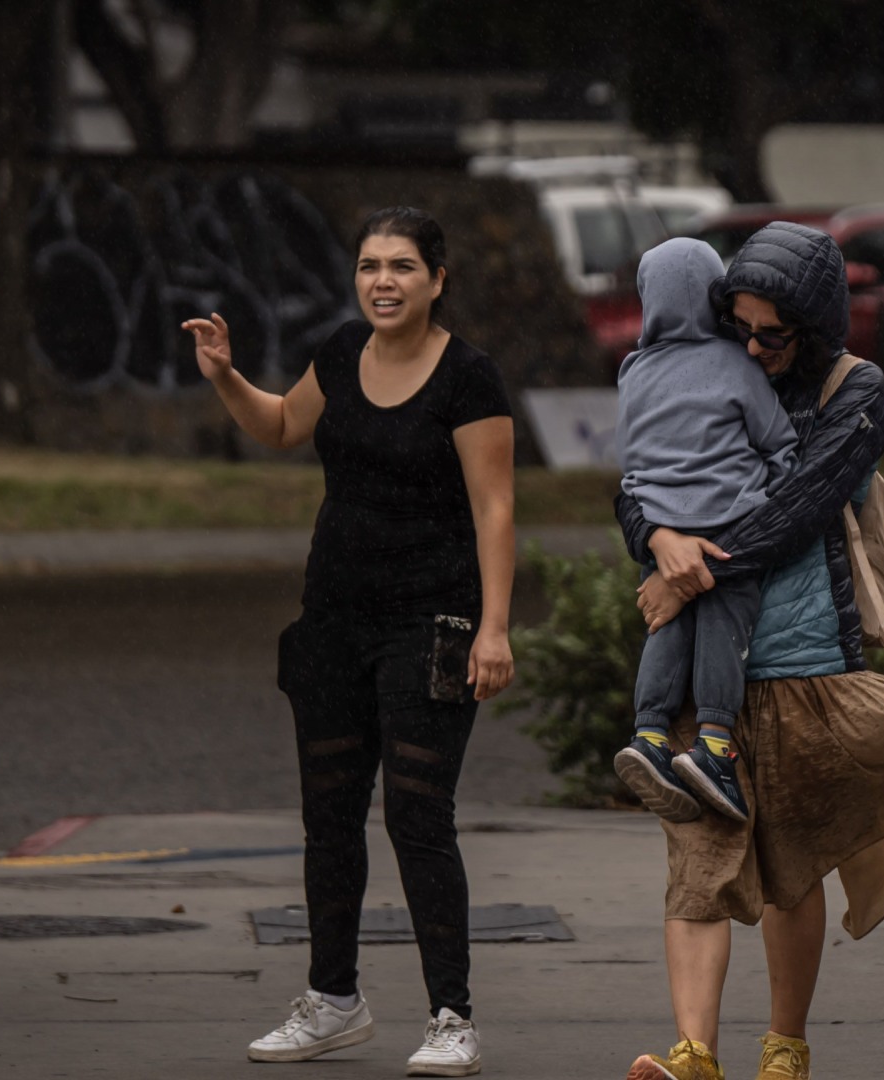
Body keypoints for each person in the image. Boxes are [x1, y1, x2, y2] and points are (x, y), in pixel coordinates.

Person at [615, 222, 884, 1080]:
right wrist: (658, 537)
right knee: (698, 866)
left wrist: (685, 573)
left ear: (815, 325)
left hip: (804, 669)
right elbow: (636, 482)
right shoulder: (704, 370)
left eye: (776, 333)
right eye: (742, 327)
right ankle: (692, 1056)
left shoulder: (856, 390)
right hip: (704, 666)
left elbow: (797, 507)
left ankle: (784, 1049)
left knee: (791, 871)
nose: (757, 346)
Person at [183, 206, 513, 1078]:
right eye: (370, 265)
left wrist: (495, 627)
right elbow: (284, 427)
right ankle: (333, 1000)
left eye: (402, 266)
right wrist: (225, 375)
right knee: (329, 818)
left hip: (431, 625)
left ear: (437, 280)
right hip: (332, 622)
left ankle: (453, 1016)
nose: (383, 282)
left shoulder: (469, 380)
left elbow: (495, 508)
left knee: (416, 815)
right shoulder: (338, 351)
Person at [613, 237, 798, 825]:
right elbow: (778, 442)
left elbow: (629, 455)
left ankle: (649, 736)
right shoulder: (737, 364)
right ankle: (715, 745)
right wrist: (768, 485)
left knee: (665, 624)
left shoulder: (633, 370)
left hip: (660, 525)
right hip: (729, 526)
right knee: (723, 624)